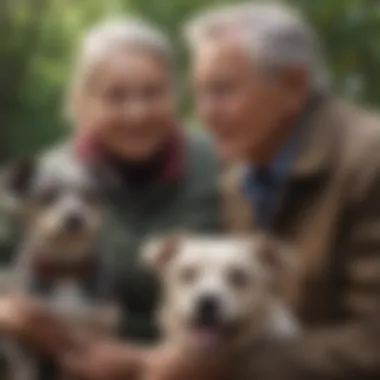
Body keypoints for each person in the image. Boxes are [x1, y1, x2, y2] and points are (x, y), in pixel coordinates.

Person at [0, 18, 221, 348]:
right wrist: (7, 312)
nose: (137, 113)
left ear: (176, 94)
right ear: (80, 101)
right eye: (115, 97)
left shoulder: (219, 164)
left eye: (153, 92)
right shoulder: (42, 178)